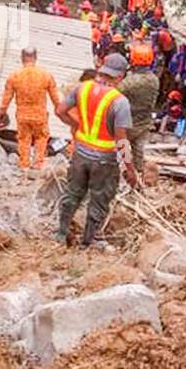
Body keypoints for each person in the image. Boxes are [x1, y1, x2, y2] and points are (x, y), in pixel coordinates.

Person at [55, 53, 135, 248]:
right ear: (119, 77)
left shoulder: (82, 88)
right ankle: (87, 242)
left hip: (80, 153)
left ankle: (60, 234)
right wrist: (129, 168)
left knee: (72, 194)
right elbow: (121, 139)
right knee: (99, 199)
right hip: (105, 160)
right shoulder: (119, 102)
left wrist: (77, 125)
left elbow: (60, 111)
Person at [0, 47, 61, 171]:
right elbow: (55, 98)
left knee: (24, 139)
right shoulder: (45, 75)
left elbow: (6, 98)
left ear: (22, 58)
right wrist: (59, 110)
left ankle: (24, 164)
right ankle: (38, 163)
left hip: (22, 116)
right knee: (41, 137)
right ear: (35, 57)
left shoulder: (14, 76)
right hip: (39, 115)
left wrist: (2, 112)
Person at [119, 38, 160, 172]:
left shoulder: (130, 81)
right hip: (145, 121)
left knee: (119, 149)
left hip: (128, 122)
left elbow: (115, 94)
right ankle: (137, 178)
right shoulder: (154, 80)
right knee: (138, 152)